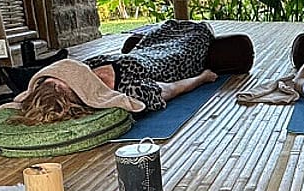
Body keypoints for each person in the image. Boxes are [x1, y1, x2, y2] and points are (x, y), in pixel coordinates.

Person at [12, 19, 218, 125]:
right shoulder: (130, 91)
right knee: (198, 32)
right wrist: (203, 77)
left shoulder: (87, 69)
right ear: (78, 90)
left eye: (47, 80)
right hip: (174, 56)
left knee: (166, 26)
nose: (55, 75)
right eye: (57, 82)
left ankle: (23, 73)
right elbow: (172, 89)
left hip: (146, 49)